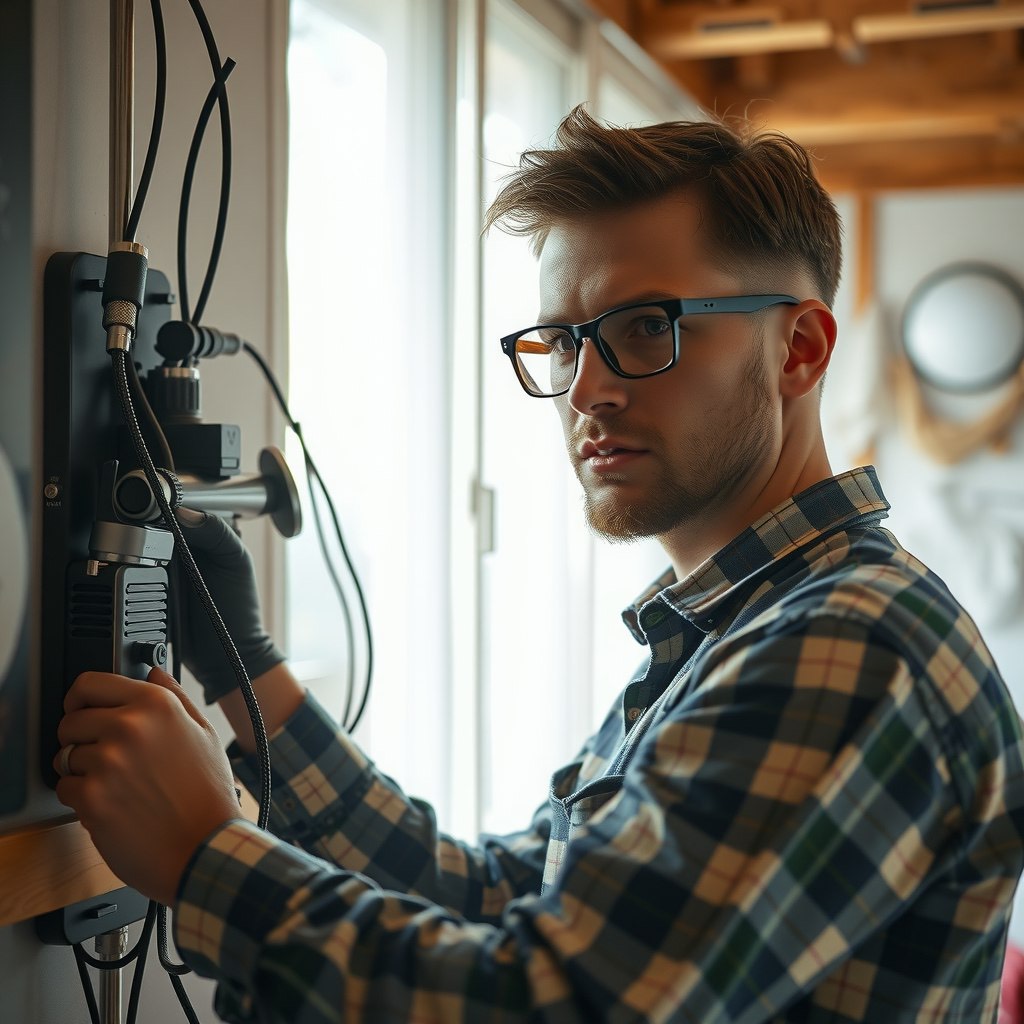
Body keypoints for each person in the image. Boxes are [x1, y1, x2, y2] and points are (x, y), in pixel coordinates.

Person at [54, 106, 1024, 1023]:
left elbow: (552, 1001)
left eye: (648, 326)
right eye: (562, 341)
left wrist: (202, 859)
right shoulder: (733, 630)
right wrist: (246, 669)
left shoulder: (849, 642)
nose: (587, 390)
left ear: (800, 350)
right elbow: (494, 898)